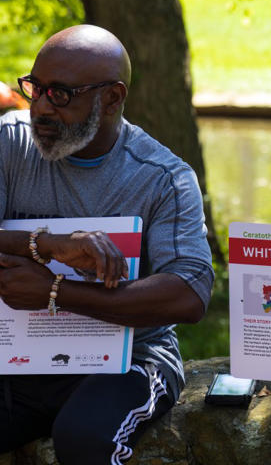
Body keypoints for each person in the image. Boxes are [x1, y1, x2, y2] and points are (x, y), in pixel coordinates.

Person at [0, 25, 214, 464]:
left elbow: (189, 295)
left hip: (128, 359)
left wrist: (56, 293)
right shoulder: (11, 143)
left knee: (85, 439)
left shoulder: (163, 178)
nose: (40, 106)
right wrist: (49, 245)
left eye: (60, 94)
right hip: (17, 350)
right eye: (34, 88)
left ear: (112, 98)